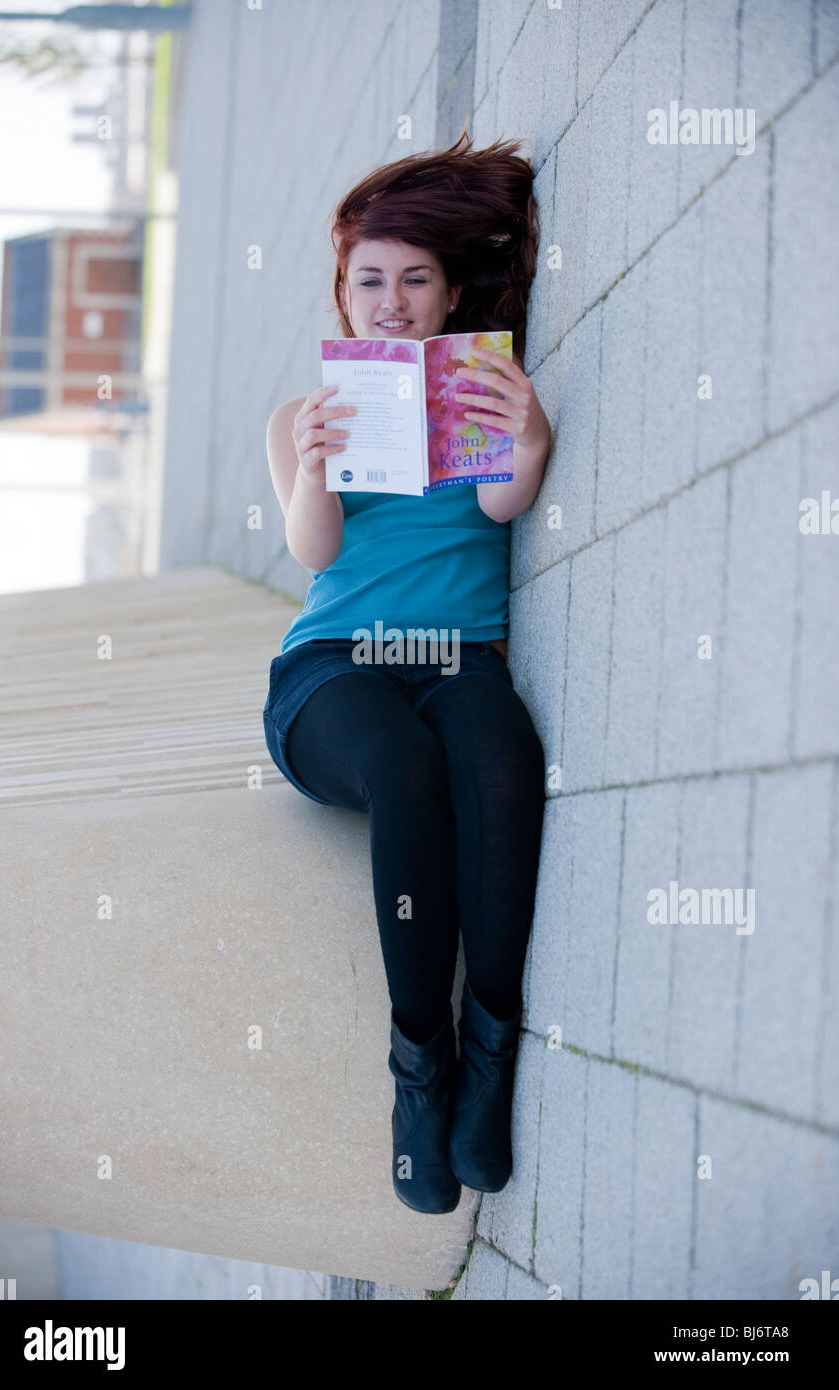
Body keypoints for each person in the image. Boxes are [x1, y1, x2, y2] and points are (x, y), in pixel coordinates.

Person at [263, 130, 551, 1214]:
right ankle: (416, 1072)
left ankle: (489, 1055)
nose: (389, 302)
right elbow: (316, 555)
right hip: (332, 671)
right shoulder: (304, 416)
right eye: (368, 280)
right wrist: (314, 471)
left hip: (456, 656)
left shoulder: (478, 387)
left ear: (448, 288)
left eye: (413, 279)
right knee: (400, 765)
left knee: (498, 759)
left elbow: (496, 508)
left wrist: (525, 441)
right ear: (343, 291)